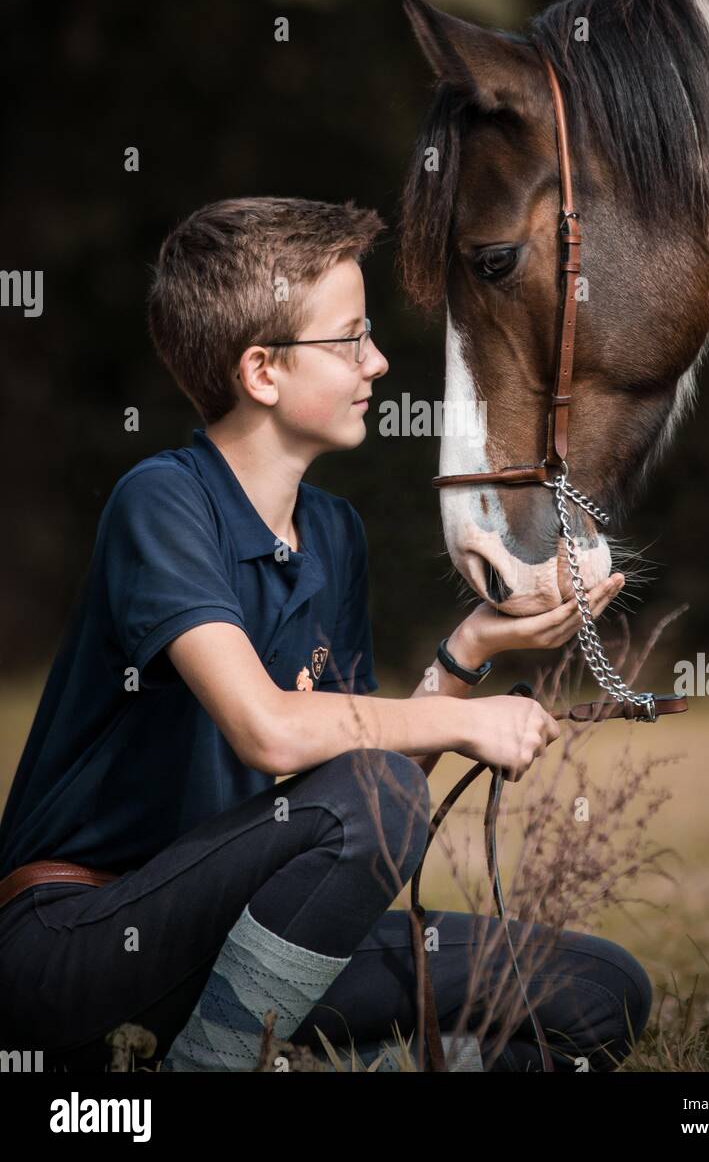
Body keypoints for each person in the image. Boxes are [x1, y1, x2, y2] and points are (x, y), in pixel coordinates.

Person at [0, 196, 650, 1073]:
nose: (377, 361)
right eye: (350, 341)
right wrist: (462, 723)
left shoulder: (334, 533)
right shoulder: (162, 501)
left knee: (601, 992)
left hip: (238, 938)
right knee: (377, 792)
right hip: (75, 945)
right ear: (262, 371)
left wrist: (473, 649)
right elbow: (269, 731)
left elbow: (357, 803)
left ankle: (241, 1049)